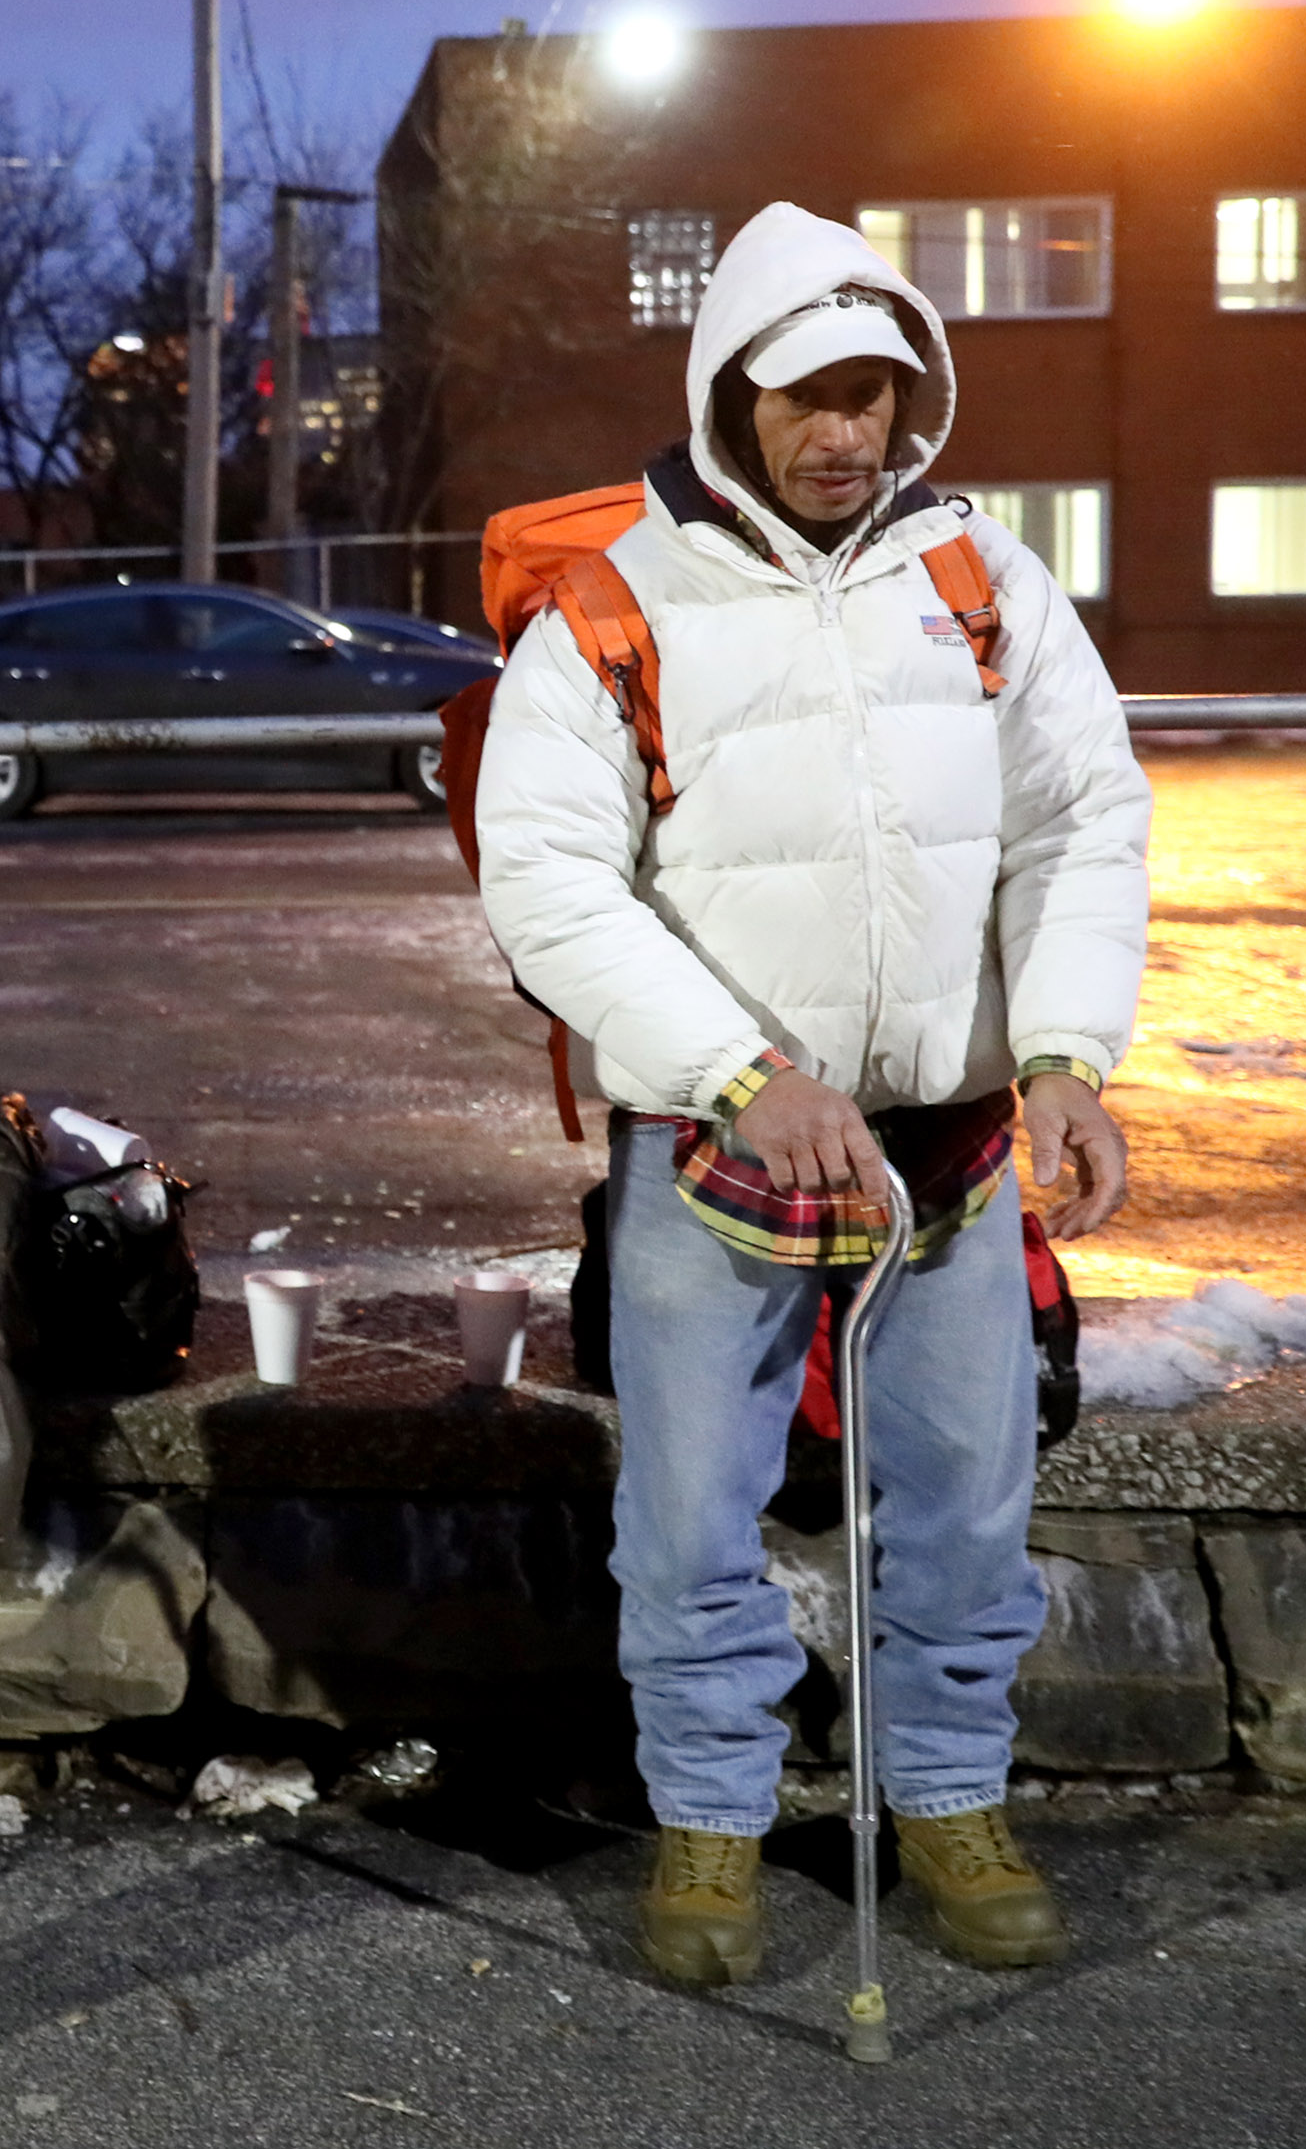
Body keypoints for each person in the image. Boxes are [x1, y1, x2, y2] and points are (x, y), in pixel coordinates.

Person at [473, 201, 1150, 1986]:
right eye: (808, 393)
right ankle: (705, 1820)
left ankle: (945, 1797)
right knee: (688, 1513)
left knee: (967, 1505)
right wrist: (740, 1069)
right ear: (730, 394)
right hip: (712, 1148)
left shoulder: (985, 581)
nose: (846, 429)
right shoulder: (617, 600)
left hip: (953, 1146)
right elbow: (545, 876)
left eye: (877, 391)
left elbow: (1083, 823)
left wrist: (1070, 1049)